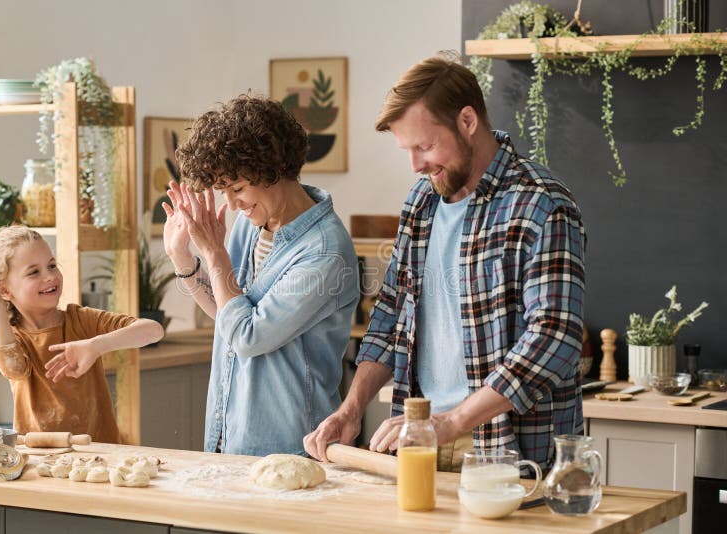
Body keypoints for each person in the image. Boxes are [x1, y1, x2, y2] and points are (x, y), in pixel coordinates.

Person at [304, 52, 586, 473]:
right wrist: (351, 409)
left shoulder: (541, 204)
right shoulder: (422, 202)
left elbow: (554, 338)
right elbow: (391, 318)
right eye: (408, 150)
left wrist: (452, 422)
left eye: (426, 145)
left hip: (509, 448)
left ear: (468, 121)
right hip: (421, 439)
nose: (417, 165)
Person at [162, 94, 359, 457]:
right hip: (229, 437)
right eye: (223, 191)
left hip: (291, 449)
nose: (232, 204)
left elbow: (248, 336)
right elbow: (229, 315)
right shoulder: (250, 225)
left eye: (237, 189)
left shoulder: (324, 252)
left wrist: (215, 253)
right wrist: (182, 257)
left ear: (275, 167)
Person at [0, 225, 164, 443]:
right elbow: (13, 367)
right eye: (34, 272)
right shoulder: (12, 336)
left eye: (51, 265)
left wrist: (96, 345)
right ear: (5, 290)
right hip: (42, 458)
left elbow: (153, 330)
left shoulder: (81, 320)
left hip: (100, 453)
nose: (49, 276)